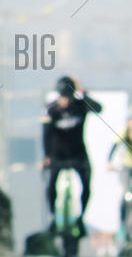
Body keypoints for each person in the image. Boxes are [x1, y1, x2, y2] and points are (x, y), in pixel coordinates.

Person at [40, 76, 102, 235]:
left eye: (68, 97)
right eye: (63, 97)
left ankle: (80, 218)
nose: (65, 101)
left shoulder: (80, 106)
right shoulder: (51, 109)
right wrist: (47, 156)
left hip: (78, 154)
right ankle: (53, 217)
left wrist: (84, 94)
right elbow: (46, 134)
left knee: (87, 183)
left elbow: (98, 108)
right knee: (51, 185)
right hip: (58, 155)